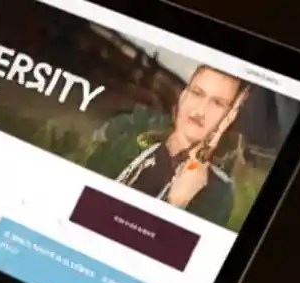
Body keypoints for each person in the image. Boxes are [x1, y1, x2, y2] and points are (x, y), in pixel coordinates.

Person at [81, 65, 250, 227]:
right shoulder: (130, 134)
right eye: (197, 93)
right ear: (184, 95)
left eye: (217, 103)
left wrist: (176, 205)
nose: (200, 110)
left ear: (229, 117)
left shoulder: (217, 191)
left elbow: (171, 250)